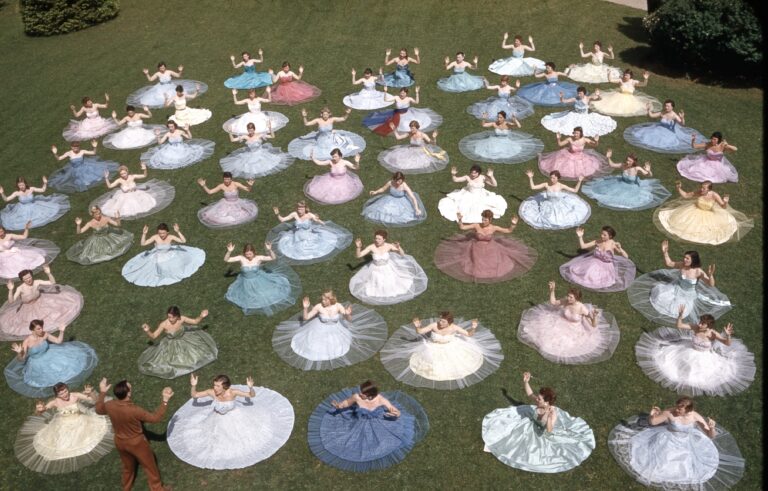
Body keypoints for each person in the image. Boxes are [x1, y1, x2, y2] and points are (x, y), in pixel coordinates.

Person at [608, 398, 744, 490]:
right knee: (660, 462)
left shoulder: (695, 417)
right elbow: (652, 423)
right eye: (677, 407)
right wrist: (652, 415)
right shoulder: (669, 413)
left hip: (686, 443)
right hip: (667, 440)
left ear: (689, 410)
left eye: (680, 409)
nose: (676, 410)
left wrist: (712, 428)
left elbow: (710, 436)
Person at [167, 374, 294, 470]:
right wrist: (193, 385)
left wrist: (251, 388)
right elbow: (194, 396)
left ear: (225, 386)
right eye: (214, 385)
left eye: (217, 386)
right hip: (216, 419)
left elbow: (251, 396)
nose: (215, 388)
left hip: (236, 418)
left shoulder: (232, 393)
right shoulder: (211, 393)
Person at [482, 372, 595, 473]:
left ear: (546, 402)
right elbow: (530, 394)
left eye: (540, 399)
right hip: (531, 424)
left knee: (521, 448)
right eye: (539, 397)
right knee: (510, 432)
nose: (537, 399)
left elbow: (549, 430)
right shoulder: (540, 403)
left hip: (541, 434)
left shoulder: (552, 413)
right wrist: (526, 382)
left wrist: (549, 417)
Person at [307, 380, 429, 472]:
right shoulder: (356, 397)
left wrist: (394, 414)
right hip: (357, 421)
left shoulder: (380, 399)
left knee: (381, 440)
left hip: (378, 422)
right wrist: (339, 406)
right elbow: (346, 403)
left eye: (363, 393)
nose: (360, 394)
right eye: (360, 391)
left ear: (370, 394)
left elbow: (395, 411)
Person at [635, 306, 755, 397]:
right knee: (671, 361)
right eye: (700, 321)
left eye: (702, 323)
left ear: (708, 326)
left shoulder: (712, 333)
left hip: (704, 356)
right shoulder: (695, 327)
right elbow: (679, 326)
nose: (699, 324)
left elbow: (727, 343)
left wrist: (728, 335)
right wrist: (680, 315)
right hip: (688, 349)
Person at [379, 312, 503, 390]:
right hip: (432, 348)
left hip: (451, 347)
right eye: (440, 320)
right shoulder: (434, 325)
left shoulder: (454, 327)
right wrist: (417, 325)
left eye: (443, 321)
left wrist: (473, 328)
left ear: (449, 322)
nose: (440, 322)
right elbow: (421, 332)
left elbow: (468, 334)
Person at [272, 290, 388, 370]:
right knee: (313, 346)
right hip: (319, 330)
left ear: (331, 299)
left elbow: (349, 320)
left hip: (336, 330)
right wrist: (305, 308)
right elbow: (306, 318)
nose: (323, 301)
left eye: (325, 299)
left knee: (336, 345)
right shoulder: (318, 307)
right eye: (322, 299)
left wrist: (348, 314)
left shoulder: (338, 306)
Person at [14, 382, 113, 474]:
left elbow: (94, 400)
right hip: (63, 424)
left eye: (65, 391)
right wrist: (40, 410)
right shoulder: (55, 402)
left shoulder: (75, 395)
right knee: (61, 442)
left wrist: (90, 393)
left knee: (85, 434)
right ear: (57, 395)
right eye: (61, 393)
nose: (65, 394)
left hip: (80, 421)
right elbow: (42, 411)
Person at [95, 378, 174, 491]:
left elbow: (98, 409)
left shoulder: (110, 405)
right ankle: (158, 489)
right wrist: (165, 401)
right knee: (150, 467)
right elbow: (155, 418)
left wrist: (102, 392)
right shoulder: (134, 410)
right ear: (128, 393)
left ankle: (126, 488)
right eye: (130, 388)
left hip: (119, 442)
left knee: (128, 467)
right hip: (137, 444)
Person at [627, 240, 732, 326]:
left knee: (677, 310)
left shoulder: (698, 271)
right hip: (675, 287)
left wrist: (710, 275)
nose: (684, 259)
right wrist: (665, 252)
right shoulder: (682, 265)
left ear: (693, 260)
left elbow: (711, 284)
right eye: (684, 257)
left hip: (687, 294)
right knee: (659, 296)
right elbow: (669, 263)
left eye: (687, 258)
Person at [517, 281, 620, 364]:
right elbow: (553, 303)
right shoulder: (566, 301)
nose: (568, 298)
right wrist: (552, 290)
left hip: (574, 328)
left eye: (571, 297)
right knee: (542, 333)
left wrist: (595, 316)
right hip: (559, 321)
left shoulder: (582, 308)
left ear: (577, 298)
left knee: (564, 344)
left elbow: (593, 324)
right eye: (568, 296)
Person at [435, 210, 537, 283]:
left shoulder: (493, 228)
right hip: (476, 246)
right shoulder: (476, 225)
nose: (483, 221)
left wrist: (513, 224)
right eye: (482, 219)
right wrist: (460, 220)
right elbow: (462, 227)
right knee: (475, 263)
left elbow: (508, 231)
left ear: (490, 220)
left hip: (491, 247)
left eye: (485, 220)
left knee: (494, 263)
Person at [5, 319, 97, 398]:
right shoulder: (27, 342)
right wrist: (20, 353)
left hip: (51, 354)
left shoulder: (44, 334)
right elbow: (21, 359)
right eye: (38, 328)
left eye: (41, 327)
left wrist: (61, 331)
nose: (41, 330)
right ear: (32, 329)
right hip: (38, 363)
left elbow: (58, 341)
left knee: (67, 365)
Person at [653, 180, 753, 245]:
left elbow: (723, 207)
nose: (701, 189)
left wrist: (726, 201)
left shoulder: (714, 195)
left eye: (704, 188)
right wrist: (679, 188)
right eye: (701, 187)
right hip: (693, 211)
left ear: (709, 189)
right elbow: (687, 196)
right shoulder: (699, 192)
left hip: (709, 214)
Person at [0, 267, 83, 342]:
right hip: (28, 308)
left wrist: (48, 273)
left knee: (60, 308)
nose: (28, 280)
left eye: (29, 277)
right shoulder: (20, 288)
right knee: (32, 323)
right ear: (22, 280)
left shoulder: (36, 282)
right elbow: (11, 301)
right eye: (26, 279)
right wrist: (10, 290)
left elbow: (52, 283)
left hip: (41, 301)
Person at [349, 230, 428, 305]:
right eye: (376, 238)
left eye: (379, 239)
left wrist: (398, 247)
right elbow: (358, 255)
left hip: (388, 268)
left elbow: (402, 254)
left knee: (391, 283)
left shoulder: (389, 246)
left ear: (384, 239)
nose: (377, 240)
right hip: (376, 269)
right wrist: (358, 247)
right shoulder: (371, 247)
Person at [138, 307, 217, 379]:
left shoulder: (181, 319)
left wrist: (201, 316)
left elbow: (195, 321)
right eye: (169, 317)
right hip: (171, 344)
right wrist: (148, 331)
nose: (170, 319)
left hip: (185, 339)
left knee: (199, 353)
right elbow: (154, 336)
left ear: (177, 316)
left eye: (173, 317)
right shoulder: (164, 324)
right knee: (171, 361)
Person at [224, 242, 301, 316]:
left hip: (258, 279)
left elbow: (273, 258)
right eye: (246, 254)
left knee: (265, 293)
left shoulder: (258, 258)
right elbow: (226, 260)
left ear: (254, 252)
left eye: (250, 254)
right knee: (249, 296)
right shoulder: (241, 258)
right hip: (246, 281)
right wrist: (229, 251)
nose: (248, 256)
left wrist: (269, 250)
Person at [581, 150, 671, 211]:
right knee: (609, 192)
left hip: (632, 187)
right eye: (627, 160)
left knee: (626, 198)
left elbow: (649, 175)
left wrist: (648, 170)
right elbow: (612, 165)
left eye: (629, 161)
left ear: (634, 162)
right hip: (620, 183)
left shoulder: (637, 168)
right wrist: (608, 157)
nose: (627, 162)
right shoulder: (623, 165)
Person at [121, 223, 205, 287]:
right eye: (160, 233)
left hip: (170, 254)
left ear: (167, 232)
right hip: (159, 256)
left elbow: (183, 241)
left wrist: (178, 231)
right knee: (160, 269)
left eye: (163, 233)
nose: (161, 235)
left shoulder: (171, 236)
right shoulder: (155, 237)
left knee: (178, 266)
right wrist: (144, 234)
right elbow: (143, 244)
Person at [267, 201, 352, 265]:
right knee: (297, 248)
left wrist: (321, 221)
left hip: (309, 235)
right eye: (298, 208)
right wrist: (277, 214)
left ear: (305, 209)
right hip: (297, 236)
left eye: (301, 208)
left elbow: (318, 221)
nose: (299, 210)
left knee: (313, 246)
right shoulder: (294, 214)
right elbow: (282, 220)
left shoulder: (310, 215)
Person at [559, 225, 636, 292]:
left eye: (604, 235)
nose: (602, 236)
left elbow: (626, 257)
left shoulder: (613, 244)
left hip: (606, 267)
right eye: (602, 233)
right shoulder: (598, 241)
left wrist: (620, 249)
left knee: (595, 279)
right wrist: (580, 237)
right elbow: (583, 246)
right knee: (584, 272)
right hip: (593, 262)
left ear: (610, 236)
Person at [91, 163, 175, 220]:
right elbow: (110, 186)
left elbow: (144, 175)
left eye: (124, 173)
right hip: (125, 197)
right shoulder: (119, 180)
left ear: (127, 172)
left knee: (145, 202)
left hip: (136, 194)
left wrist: (145, 169)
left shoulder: (132, 176)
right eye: (121, 174)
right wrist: (106, 178)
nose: (123, 175)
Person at [458, 111, 544, 164]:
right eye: (498, 117)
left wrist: (515, 119)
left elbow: (519, 126)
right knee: (492, 150)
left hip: (506, 141)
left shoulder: (507, 124)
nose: (499, 119)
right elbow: (484, 125)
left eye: (500, 117)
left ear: (504, 118)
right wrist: (484, 118)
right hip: (494, 140)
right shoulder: (494, 123)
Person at [623, 100, 707, 153]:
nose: (666, 107)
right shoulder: (662, 112)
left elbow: (682, 124)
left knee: (664, 141)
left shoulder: (674, 115)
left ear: (672, 107)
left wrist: (682, 118)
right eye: (665, 106)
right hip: (659, 128)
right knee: (648, 135)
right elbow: (652, 116)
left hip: (669, 132)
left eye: (668, 106)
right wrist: (649, 110)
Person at [518, 170, 590, 230]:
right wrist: (530, 178)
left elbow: (575, 190)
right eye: (551, 178)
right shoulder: (546, 184)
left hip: (559, 205)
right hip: (548, 204)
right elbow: (533, 187)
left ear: (558, 178)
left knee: (560, 219)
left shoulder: (561, 185)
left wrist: (579, 181)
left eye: (554, 178)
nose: (551, 180)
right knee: (547, 218)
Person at [220, 122, 294, 179]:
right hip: (251, 154)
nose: (250, 132)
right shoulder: (245, 136)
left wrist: (270, 128)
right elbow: (232, 140)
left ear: (254, 129)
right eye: (249, 130)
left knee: (268, 162)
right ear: (247, 130)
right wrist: (229, 132)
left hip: (261, 153)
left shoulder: (259, 135)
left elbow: (272, 136)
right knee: (247, 165)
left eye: (251, 130)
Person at [288, 107, 365, 160]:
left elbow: (343, 118)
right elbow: (307, 124)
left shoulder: (332, 119)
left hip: (330, 138)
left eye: (327, 114)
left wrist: (347, 113)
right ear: (321, 115)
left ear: (329, 114)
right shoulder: (318, 120)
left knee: (334, 148)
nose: (325, 116)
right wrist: (304, 116)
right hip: (321, 139)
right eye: (324, 114)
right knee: (322, 150)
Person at [362, 86, 443, 136]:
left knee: (409, 124)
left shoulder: (409, 98)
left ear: (406, 94)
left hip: (408, 114)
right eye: (401, 93)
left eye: (403, 93)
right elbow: (386, 99)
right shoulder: (396, 97)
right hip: (397, 114)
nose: (402, 94)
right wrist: (385, 91)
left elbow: (417, 102)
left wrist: (417, 93)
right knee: (393, 123)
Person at [438, 165, 507, 223]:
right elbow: (456, 180)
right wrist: (453, 174)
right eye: (472, 173)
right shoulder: (467, 177)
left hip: (480, 195)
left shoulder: (483, 177)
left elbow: (494, 185)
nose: (473, 174)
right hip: (468, 194)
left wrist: (491, 176)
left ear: (479, 173)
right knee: (462, 207)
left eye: (475, 173)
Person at [66, 206, 133, 265]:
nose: (99, 215)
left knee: (117, 246)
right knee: (95, 253)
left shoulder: (106, 218)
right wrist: (78, 225)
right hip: (97, 240)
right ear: (92, 215)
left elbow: (118, 225)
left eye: (100, 213)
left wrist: (118, 218)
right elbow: (79, 232)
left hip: (108, 236)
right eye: (97, 214)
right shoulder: (90, 223)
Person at [540, 87, 617, 137]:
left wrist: (598, 95)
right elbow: (564, 101)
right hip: (574, 114)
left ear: (584, 93)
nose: (579, 94)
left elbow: (599, 99)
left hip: (584, 116)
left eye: (580, 93)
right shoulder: (575, 99)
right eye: (578, 93)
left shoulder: (588, 98)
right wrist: (561, 97)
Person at [0, 176, 70, 230]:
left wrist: (45, 183)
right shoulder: (17, 193)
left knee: (51, 209)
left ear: (25, 184)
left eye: (22, 185)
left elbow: (42, 190)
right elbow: (6, 199)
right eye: (19, 185)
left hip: (34, 205)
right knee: (20, 220)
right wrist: (2, 193)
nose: (21, 187)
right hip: (23, 209)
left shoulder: (31, 189)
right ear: (17, 186)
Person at [127, 62, 207, 109]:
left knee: (176, 93)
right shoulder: (158, 74)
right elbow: (150, 79)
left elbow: (178, 76)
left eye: (163, 68)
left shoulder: (169, 72)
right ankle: (166, 100)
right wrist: (147, 74)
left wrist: (180, 71)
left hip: (170, 86)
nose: (162, 69)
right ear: (159, 68)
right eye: (161, 68)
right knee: (159, 97)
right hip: (161, 87)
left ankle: (172, 100)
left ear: (165, 67)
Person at [538, 128, 610, 180]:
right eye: (574, 133)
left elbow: (594, 145)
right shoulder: (570, 139)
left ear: (581, 134)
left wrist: (596, 141)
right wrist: (558, 138)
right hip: (568, 155)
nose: (575, 134)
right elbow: (560, 144)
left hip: (580, 156)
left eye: (577, 133)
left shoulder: (584, 139)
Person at [378, 121, 448, 174]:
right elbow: (398, 138)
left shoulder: (422, 135)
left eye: (413, 128)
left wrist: (434, 138)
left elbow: (433, 143)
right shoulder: (409, 133)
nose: (412, 130)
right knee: (400, 161)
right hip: (410, 150)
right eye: (411, 128)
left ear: (417, 128)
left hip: (421, 151)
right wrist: (394, 129)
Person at [49, 140, 119, 193]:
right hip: (75, 169)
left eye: (77, 147)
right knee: (78, 180)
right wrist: (55, 153)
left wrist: (95, 147)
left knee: (94, 174)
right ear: (71, 147)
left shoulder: (82, 151)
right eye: (74, 147)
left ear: (79, 147)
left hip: (84, 166)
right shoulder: (69, 153)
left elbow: (93, 153)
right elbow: (59, 158)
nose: (75, 149)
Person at [140, 121, 215, 170]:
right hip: (171, 149)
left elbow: (190, 137)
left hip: (181, 148)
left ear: (175, 126)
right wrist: (158, 136)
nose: (170, 128)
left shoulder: (180, 131)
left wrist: (187, 130)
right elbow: (160, 142)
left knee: (186, 154)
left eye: (172, 126)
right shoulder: (168, 134)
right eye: (169, 127)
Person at [362, 172, 426, 227]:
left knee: (404, 214)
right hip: (390, 199)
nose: (398, 183)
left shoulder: (404, 185)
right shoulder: (390, 183)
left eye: (400, 181)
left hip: (401, 201)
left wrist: (417, 209)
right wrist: (375, 192)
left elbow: (413, 198)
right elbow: (383, 189)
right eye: (397, 181)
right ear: (394, 179)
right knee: (383, 210)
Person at [590, 69, 661, 117]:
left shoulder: (633, 82)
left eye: (627, 75)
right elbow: (611, 80)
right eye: (624, 75)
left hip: (630, 99)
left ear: (630, 76)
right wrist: (609, 74)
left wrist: (645, 79)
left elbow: (644, 84)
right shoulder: (621, 80)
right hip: (619, 97)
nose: (625, 76)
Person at [222, 87, 288, 135]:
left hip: (259, 115)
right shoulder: (247, 100)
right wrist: (234, 94)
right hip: (250, 115)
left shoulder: (258, 99)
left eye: (253, 94)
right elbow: (236, 102)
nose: (252, 95)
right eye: (251, 94)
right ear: (249, 94)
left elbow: (269, 100)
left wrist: (269, 92)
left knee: (265, 125)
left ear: (254, 93)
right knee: (241, 126)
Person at [467, 76, 534, 122]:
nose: (502, 83)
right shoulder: (498, 87)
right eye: (502, 81)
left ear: (507, 82)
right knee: (491, 113)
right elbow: (488, 87)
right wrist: (485, 80)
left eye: (504, 82)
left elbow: (515, 90)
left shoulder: (509, 88)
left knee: (509, 114)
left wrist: (517, 86)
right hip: (497, 102)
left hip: (505, 103)